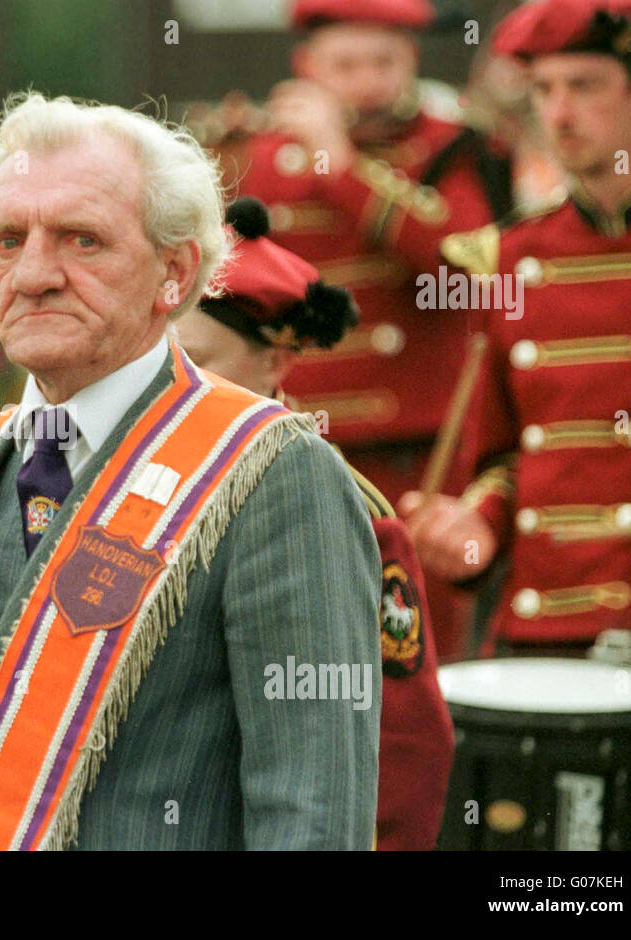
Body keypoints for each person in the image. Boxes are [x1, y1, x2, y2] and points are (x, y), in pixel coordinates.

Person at [0, 93, 381, 851]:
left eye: (82, 240)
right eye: (8, 239)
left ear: (175, 274)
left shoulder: (278, 473)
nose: (34, 274)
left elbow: (312, 813)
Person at [223, 0, 516, 658]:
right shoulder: (253, 156)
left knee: (416, 658)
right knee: (300, 650)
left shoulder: (454, 148)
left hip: (420, 462)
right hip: (293, 452)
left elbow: (463, 264)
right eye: (345, 64)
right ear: (305, 68)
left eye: (384, 61)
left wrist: (341, 164)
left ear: (412, 60)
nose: (367, 81)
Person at [175, 197, 453, 850]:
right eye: (161, 362)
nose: (176, 385)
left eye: (199, 361)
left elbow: (403, 747)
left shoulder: (351, 513)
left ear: (276, 361)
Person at [405, 0, 631, 666]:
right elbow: (502, 460)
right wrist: (474, 531)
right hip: (537, 629)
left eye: (585, 86)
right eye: (544, 90)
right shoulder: (514, 258)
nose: (559, 113)